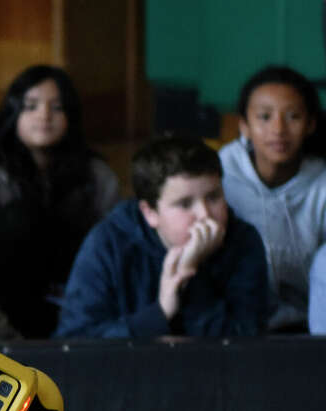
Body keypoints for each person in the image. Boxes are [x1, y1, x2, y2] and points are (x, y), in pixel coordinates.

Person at [0, 64, 119, 340]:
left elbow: (111, 255)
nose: (44, 116)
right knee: (16, 221)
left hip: (76, 308)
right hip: (5, 314)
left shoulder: (97, 176)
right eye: (31, 106)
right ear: (12, 113)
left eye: (56, 107)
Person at [54, 135, 268, 338]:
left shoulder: (244, 240)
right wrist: (160, 313)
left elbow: (245, 345)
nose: (205, 215)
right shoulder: (108, 243)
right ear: (150, 213)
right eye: (185, 204)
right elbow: (75, 342)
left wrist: (191, 274)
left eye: (213, 197)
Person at [219, 65, 326, 333]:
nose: (278, 129)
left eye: (293, 117)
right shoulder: (219, 175)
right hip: (238, 322)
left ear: (311, 124)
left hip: (310, 318)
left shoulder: (321, 180)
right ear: (243, 125)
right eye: (264, 117)